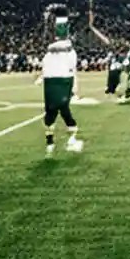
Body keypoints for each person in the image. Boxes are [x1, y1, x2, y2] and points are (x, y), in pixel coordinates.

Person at [39, 9, 83, 156]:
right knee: (64, 109)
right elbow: (72, 68)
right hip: (62, 78)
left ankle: (50, 142)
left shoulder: (48, 52)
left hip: (50, 80)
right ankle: (70, 139)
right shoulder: (69, 51)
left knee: (51, 112)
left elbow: (45, 63)